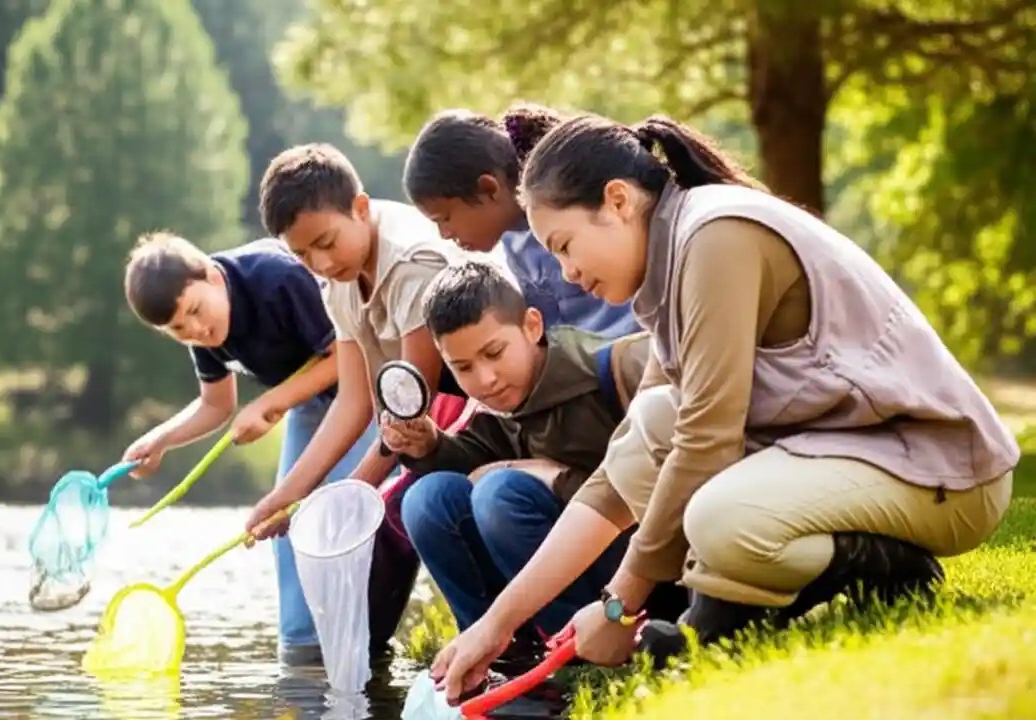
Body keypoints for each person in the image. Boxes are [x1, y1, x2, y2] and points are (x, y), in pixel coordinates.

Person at [431, 111, 1018, 701]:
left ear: (617, 201)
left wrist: (617, 604)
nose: (568, 273)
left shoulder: (717, 237)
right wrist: (495, 625)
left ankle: (822, 583)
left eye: (564, 246)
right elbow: (617, 479)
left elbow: (708, 439)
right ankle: (778, 600)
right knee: (653, 419)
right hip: (851, 452)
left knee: (716, 517)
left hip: (939, 470)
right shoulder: (671, 262)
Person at [247, 142, 504, 655]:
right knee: (366, 522)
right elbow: (354, 403)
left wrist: (347, 495)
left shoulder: (413, 263)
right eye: (301, 255)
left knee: (388, 519)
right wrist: (288, 497)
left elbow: (417, 402)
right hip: (415, 415)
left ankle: (492, 643)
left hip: (472, 403)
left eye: (325, 242)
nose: (318, 264)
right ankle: (356, 672)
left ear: (360, 209)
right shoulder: (337, 276)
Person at [384, 262, 687, 663]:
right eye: (463, 368)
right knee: (427, 498)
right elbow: (469, 467)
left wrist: (554, 478)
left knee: (500, 493)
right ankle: (497, 656)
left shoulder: (618, 368)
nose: (486, 378)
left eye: (494, 353)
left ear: (532, 325)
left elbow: (677, 485)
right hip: (559, 572)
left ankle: (581, 661)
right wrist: (429, 446)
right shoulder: (491, 409)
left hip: (650, 573)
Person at [120, 232, 376, 667]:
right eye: (180, 329)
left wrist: (270, 402)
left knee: (331, 519)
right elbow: (215, 404)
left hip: (364, 391)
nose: (197, 330)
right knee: (282, 521)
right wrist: (160, 439)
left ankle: (360, 646)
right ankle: (301, 653)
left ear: (214, 276)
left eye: (197, 311)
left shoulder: (277, 278)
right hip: (308, 406)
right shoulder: (202, 336)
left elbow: (341, 355)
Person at [403, 103, 639, 338]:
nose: (444, 233)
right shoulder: (514, 246)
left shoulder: (570, 222)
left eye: (445, 218)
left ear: (488, 188)